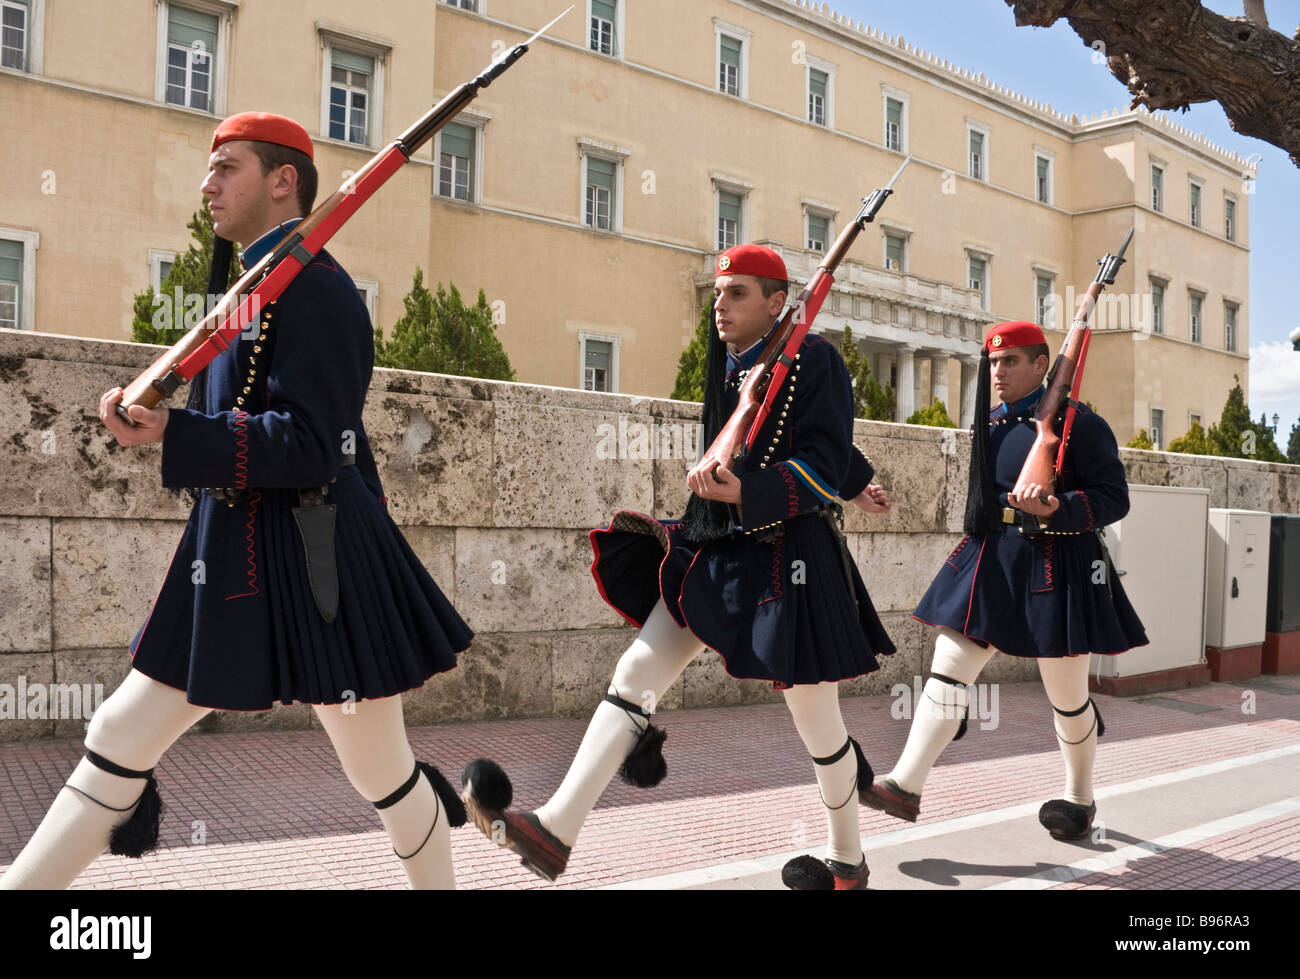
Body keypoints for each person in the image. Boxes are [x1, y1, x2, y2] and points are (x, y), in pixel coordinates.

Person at [0, 112, 473, 890]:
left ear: (283, 181)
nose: (206, 183)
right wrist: (154, 413)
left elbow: (316, 442)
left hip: (318, 558)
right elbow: (231, 419)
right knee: (120, 731)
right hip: (230, 546)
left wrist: (176, 432)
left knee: (382, 776)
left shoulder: (319, 292)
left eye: (227, 167)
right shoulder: (249, 288)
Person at [463, 244, 896, 890]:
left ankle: (847, 860)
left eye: (737, 293)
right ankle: (556, 828)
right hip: (717, 540)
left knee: (819, 721)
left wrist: (772, 488)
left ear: (777, 302)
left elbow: (823, 453)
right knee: (638, 667)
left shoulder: (818, 358)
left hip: (789, 555)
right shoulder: (729, 359)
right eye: (719, 293)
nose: (719, 305)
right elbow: (759, 424)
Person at [861, 320, 1147, 840]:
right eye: (993, 362)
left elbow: (1114, 497)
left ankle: (1079, 799)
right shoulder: (990, 423)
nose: (998, 372)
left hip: (1059, 562)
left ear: (1042, 366)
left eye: (1011, 361)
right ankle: (905, 785)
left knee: (1067, 696)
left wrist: (1060, 505)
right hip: (996, 555)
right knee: (948, 671)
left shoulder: (1079, 424)